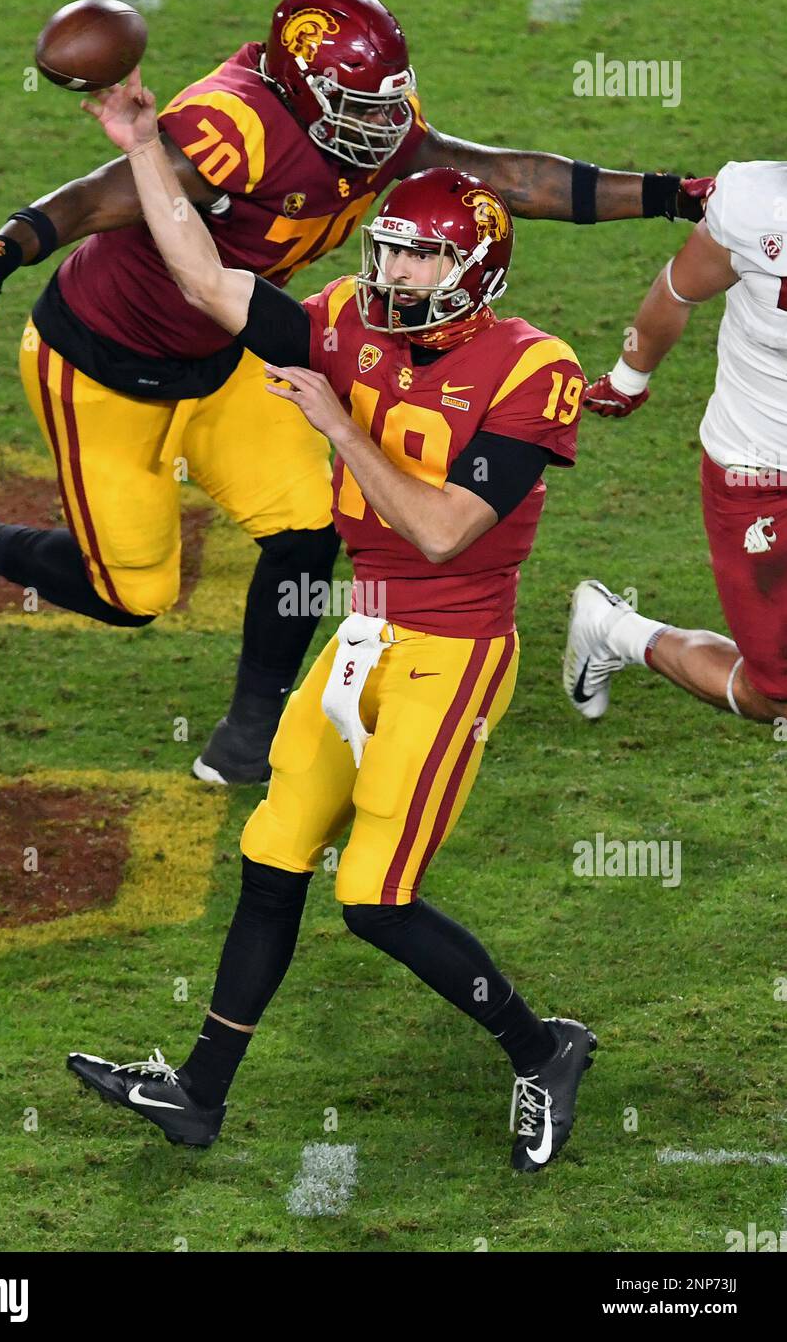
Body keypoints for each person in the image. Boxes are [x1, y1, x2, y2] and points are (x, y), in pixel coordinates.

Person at [0, 0, 710, 784]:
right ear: (300, 89)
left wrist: (671, 196)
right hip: (102, 364)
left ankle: (250, 733)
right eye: (358, 105)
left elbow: (507, 178)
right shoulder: (237, 125)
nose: (383, 125)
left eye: (387, 102)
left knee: (309, 521)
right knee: (133, 593)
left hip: (228, 351)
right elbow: (91, 199)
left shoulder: (366, 114)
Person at [67, 69, 596, 1173]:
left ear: (475, 271)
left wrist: (337, 426)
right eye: (388, 246)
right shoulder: (347, 317)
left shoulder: (533, 367)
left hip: (450, 655)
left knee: (373, 898)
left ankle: (541, 1045)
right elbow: (210, 280)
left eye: (419, 255)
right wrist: (145, 145)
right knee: (269, 856)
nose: (391, 271)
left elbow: (448, 528)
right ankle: (200, 1093)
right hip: (360, 635)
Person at [565, 161, 787, 726]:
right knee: (777, 695)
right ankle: (615, 630)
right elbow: (678, 289)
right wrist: (627, 378)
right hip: (759, 474)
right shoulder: (756, 205)